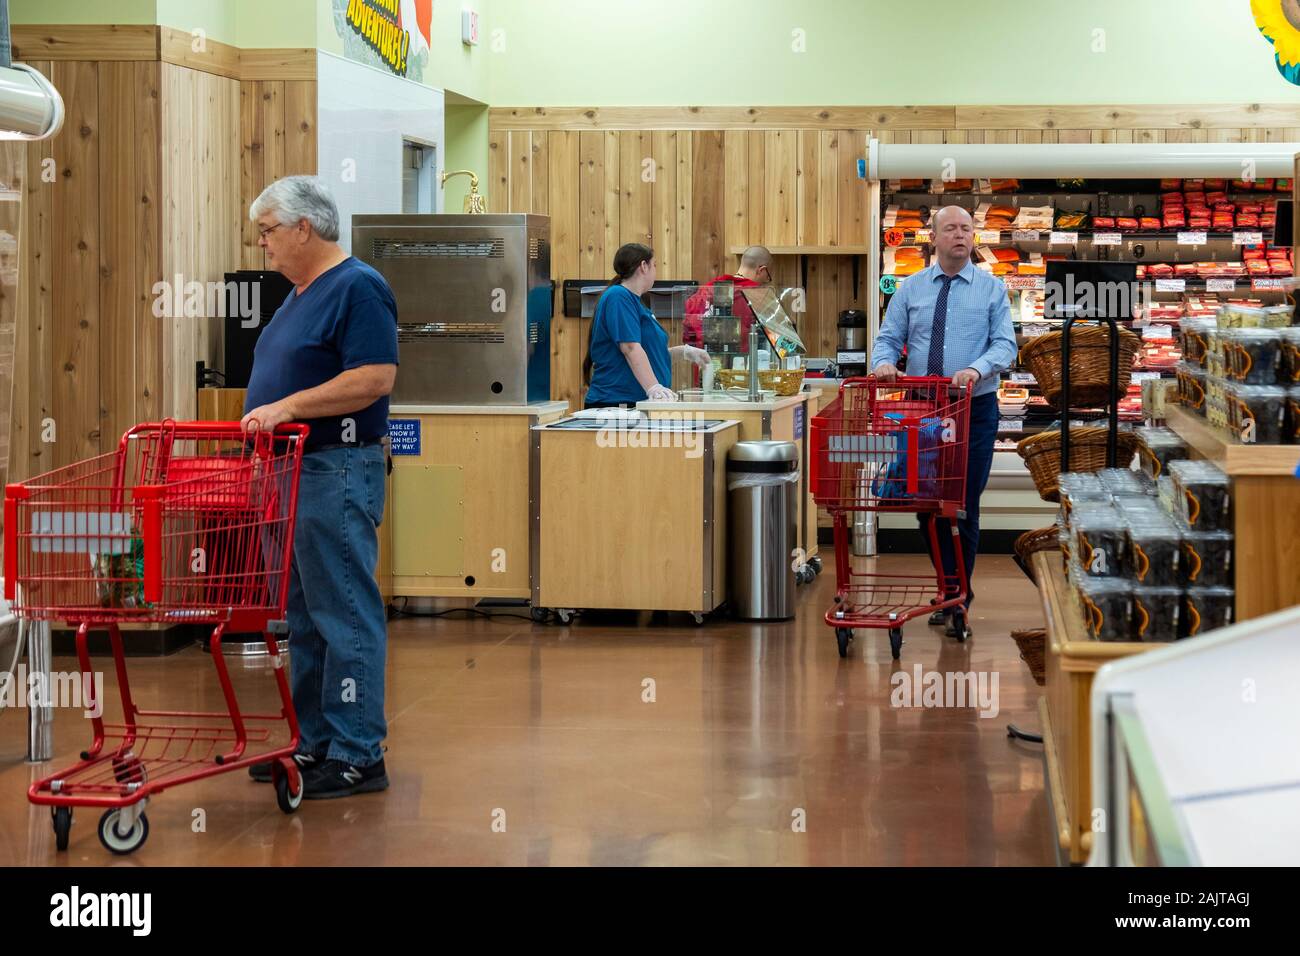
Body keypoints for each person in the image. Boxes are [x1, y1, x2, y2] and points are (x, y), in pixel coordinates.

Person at [241, 176, 398, 798]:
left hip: (334, 468)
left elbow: (374, 377)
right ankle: (313, 744)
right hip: (292, 473)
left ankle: (359, 753)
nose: (264, 245)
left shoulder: (357, 287)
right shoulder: (300, 293)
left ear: (305, 227)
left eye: (269, 231)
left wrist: (286, 407)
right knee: (303, 616)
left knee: (345, 614)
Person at [870, 204, 1016, 638]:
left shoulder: (992, 289)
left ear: (974, 237)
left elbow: (1005, 345)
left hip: (974, 409)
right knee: (927, 507)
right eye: (950, 228)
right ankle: (949, 588)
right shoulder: (910, 288)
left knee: (962, 506)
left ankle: (958, 599)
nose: (959, 234)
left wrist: (976, 369)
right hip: (922, 412)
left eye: (966, 228)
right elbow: (888, 338)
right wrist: (882, 363)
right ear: (933, 238)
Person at [583, 243, 709, 408]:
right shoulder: (618, 296)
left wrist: (682, 352)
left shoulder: (639, 304)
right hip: (615, 403)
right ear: (643, 266)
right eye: (654, 265)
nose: (656, 271)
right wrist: (653, 387)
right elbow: (629, 347)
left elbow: (648, 354)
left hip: (636, 403)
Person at [681, 245, 774, 348]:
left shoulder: (702, 291)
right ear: (761, 270)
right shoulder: (760, 295)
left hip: (704, 361)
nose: (765, 282)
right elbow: (775, 339)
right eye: (767, 277)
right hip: (743, 362)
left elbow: (688, 338)